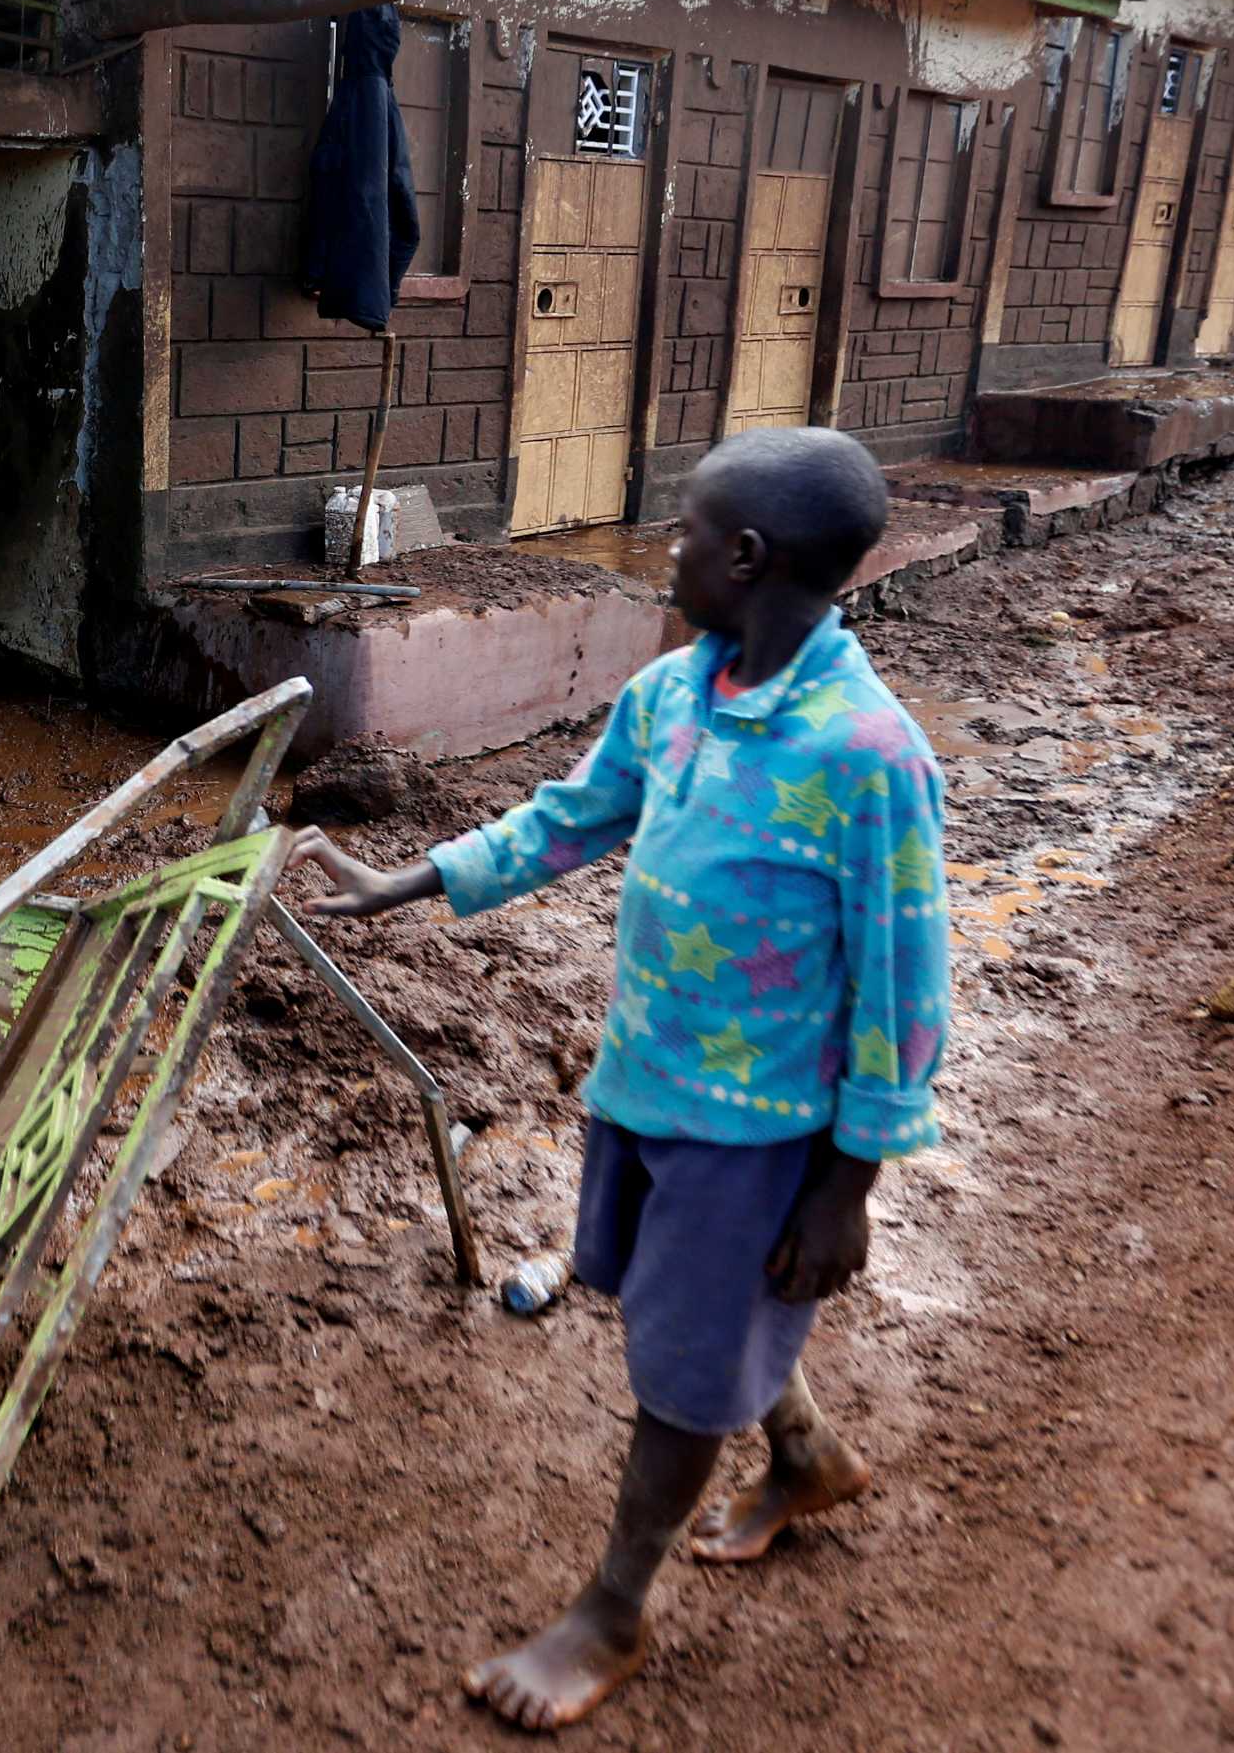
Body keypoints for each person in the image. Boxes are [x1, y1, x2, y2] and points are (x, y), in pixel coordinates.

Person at [294, 426, 951, 1733]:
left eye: (687, 533)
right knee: (699, 1307)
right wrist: (408, 883)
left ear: (746, 558)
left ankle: (615, 1608)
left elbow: (904, 989)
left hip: (759, 1134)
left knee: (680, 1370)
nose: (670, 551)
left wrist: (849, 1185)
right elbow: (570, 817)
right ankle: (804, 1450)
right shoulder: (677, 694)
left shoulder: (869, 756)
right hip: (643, 1087)